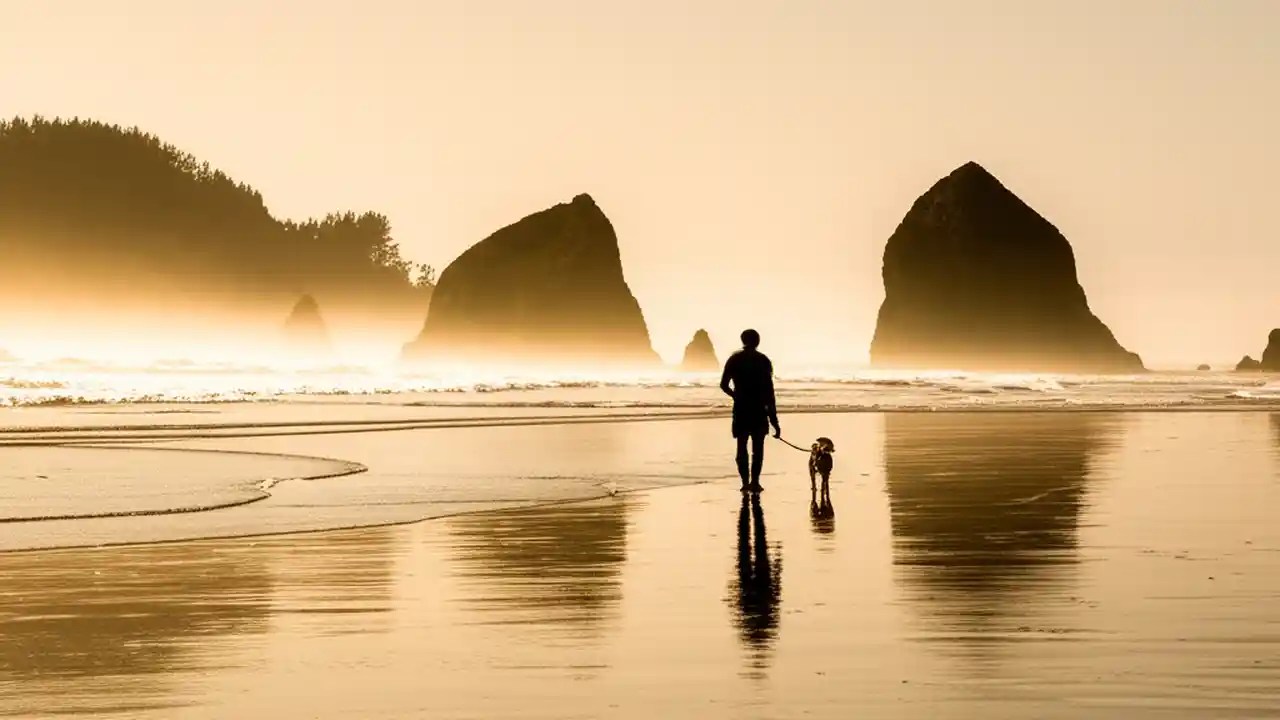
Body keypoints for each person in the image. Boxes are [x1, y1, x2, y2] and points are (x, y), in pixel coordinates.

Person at [720, 328, 781, 492]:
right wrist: (774, 420)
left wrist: (736, 396)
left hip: (741, 408)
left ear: (742, 340)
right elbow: (769, 392)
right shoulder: (763, 360)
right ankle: (755, 482)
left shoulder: (734, 359)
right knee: (758, 449)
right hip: (759, 409)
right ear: (757, 341)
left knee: (741, 447)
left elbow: (723, 385)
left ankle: (744, 483)